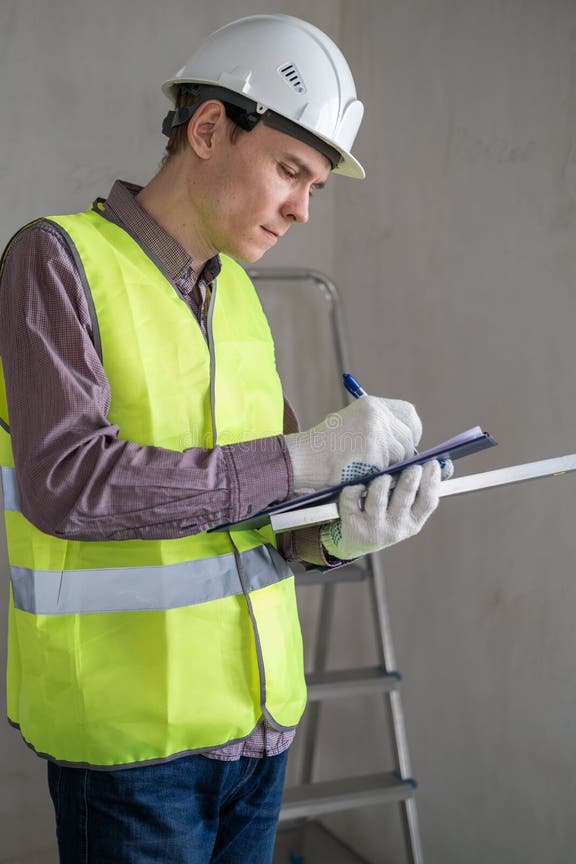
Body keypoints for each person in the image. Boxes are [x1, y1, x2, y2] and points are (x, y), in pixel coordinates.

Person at [0, 13, 442, 864]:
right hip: (132, 751)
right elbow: (71, 485)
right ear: (208, 129)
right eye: (289, 170)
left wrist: (344, 531)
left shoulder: (238, 296)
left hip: (260, 732)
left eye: (315, 186)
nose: (302, 209)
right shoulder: (56, 261)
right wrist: (305, 454)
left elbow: (266, 515)